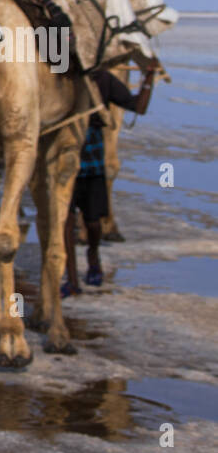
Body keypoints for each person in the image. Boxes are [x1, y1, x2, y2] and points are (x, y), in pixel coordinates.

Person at [62, 62, 157, 297]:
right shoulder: (59, 77)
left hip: (91, 160)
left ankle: (93, 257)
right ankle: (72, 278)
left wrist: (149, 78)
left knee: (93, 222)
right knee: (65, 220)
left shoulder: (103, 79)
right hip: (62, 159)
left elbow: (138, 106)